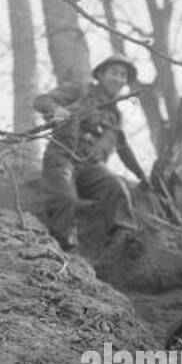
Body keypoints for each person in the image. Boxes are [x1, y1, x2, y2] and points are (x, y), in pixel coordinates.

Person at [34, 56, 149, 252]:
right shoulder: (80, 90)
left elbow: (123, 147)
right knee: (66, 199)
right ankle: (65, 248)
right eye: (114, 72)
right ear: (101, 75)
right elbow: (42, 101)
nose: (118, 79)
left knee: (116, 188)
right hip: (62, 157)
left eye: (123, 76)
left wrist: (140, 174)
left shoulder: (115, 115)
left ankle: (123, 237)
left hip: (90, 168)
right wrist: (59, 112)